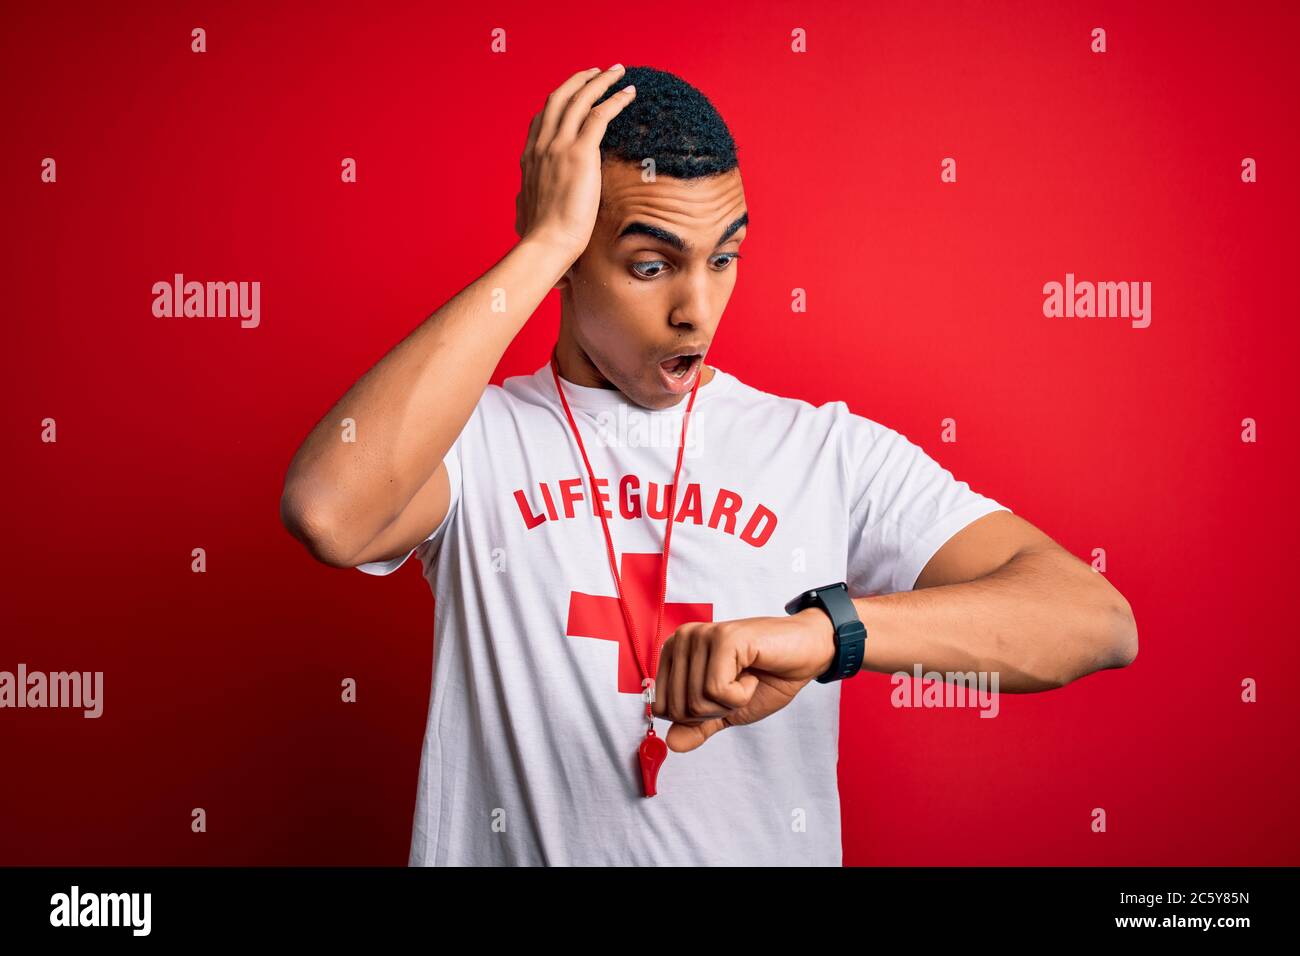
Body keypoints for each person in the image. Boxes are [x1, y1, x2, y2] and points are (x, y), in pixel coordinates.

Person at [280, 64, 1138, 866]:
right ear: (573, 260)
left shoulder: (822, 450)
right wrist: (541, 246)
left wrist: (821, 635)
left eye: (722, 259)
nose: (696, 311)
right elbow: (328, 510)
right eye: (650, 266)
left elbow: (1094, 620)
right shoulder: (472, 438)